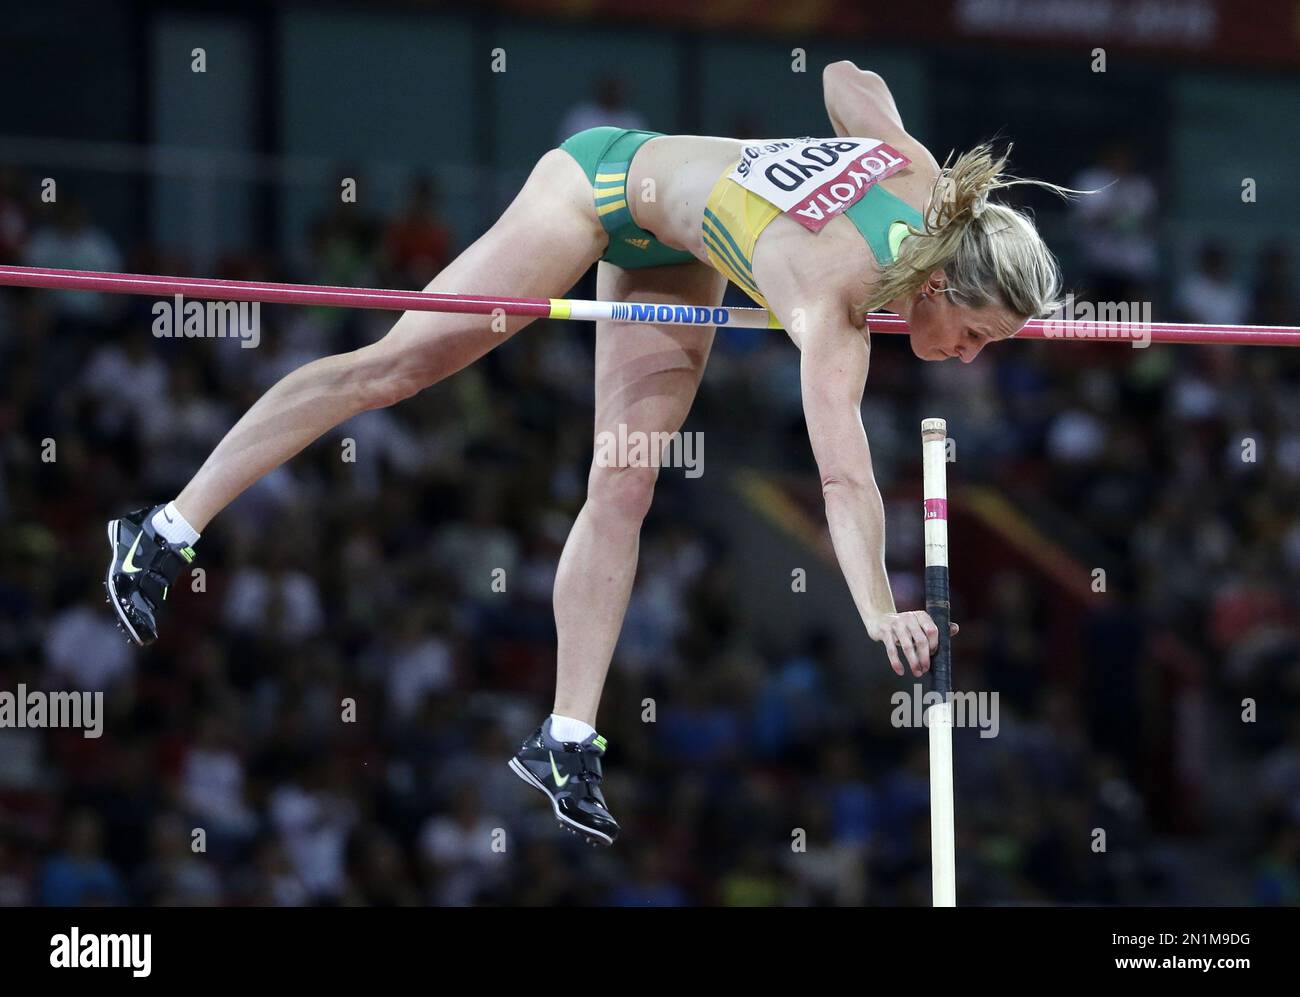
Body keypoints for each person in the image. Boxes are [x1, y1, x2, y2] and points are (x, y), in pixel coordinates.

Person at [107, 61, 1069, 846]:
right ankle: (164, 527)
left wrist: (913, 157)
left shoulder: (925, 201)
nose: (964, 358)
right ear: (941, 277)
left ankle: (566, 737)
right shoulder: (835, 306)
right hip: (603, 185)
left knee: (626, 480)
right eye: (974, 332)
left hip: (686, 254)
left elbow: (846, 78)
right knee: (395, 367)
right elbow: (844, 474)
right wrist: (876, 606)